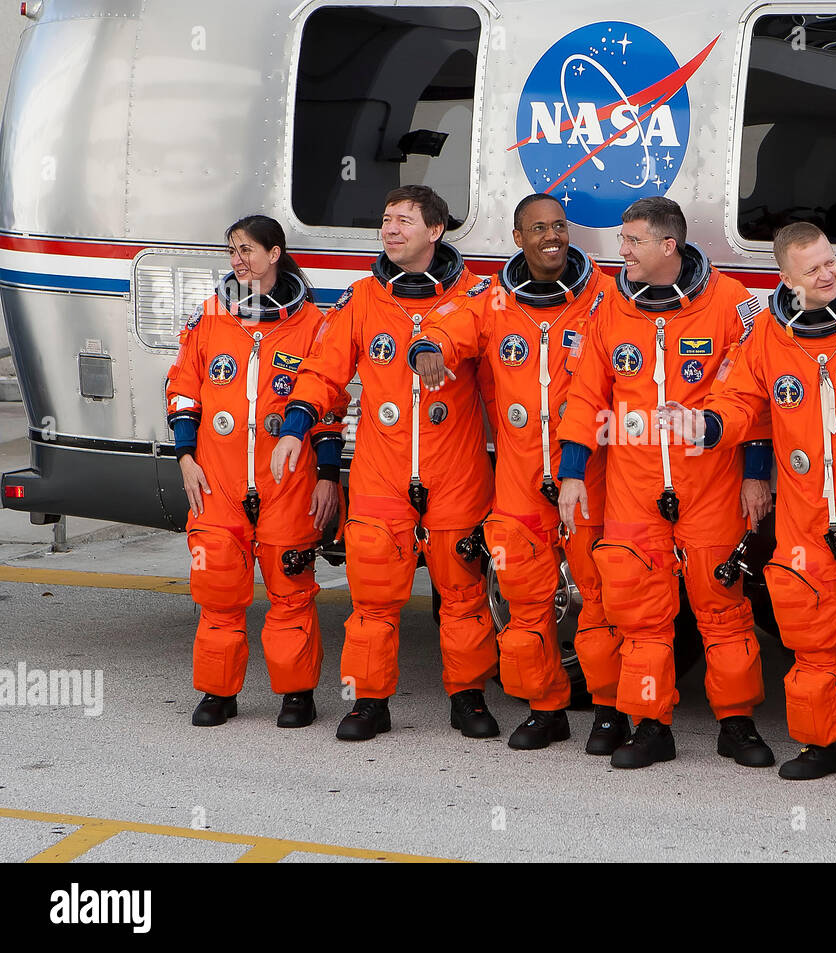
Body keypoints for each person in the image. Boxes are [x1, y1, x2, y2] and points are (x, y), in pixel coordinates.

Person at [661, 222, 836, 786]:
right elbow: (741, 399)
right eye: (812, 268)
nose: (827, 273)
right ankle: (826, 744)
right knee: (810, 635)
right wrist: (709, 422)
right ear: (786, 278)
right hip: (806, 513)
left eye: (830, 260)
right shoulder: (766, 332)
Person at [270, 186, 499, 742]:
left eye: (403, 220)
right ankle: (369, 702)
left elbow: (494, 376)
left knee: (465, 593)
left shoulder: (478, 297)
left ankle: (467, 698)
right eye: (386, 218)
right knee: (372, 594)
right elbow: (322, 372)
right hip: (381, 471)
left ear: (436, 230)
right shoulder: (363, 299)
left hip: (455, 471)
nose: (390, 229)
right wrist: (297, 428)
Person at [556, 197, 775, 770]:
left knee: (722, 610)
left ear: (667, 246)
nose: (620, 251)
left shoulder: (734, 306)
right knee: (641, 617)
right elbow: (585, 397)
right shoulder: (608, 307)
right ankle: (652, 726)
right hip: (634, 487)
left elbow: (755, 399)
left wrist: (756, 475)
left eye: (631, 241)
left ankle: (737, 724)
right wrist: (573, 473)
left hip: (711, 485)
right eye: (623, 241)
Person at [409, 193, 623, 752]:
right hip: (521, 483)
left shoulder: (604, 296)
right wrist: (429, 346)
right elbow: (445, 324)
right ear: (518, 237)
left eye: (559, 227)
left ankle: (608, 713)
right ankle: (546, 708)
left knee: (599, 605)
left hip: (588, 477)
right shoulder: (494, 301)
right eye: (538, 229)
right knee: (527, 609)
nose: (551, 237)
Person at [166, 214, 345, 729]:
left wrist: (328, 477)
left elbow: (329, 408)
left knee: (291, 591)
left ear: (275, 253)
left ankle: (296, 694)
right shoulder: (210, 318)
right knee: (218, 591)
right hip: (218, 483)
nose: (239, 259)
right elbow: (183, 389)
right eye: (233, 251)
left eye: (247, 249)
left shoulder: (314, 324)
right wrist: (185, 458)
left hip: (287, 485)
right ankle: (218, 693)